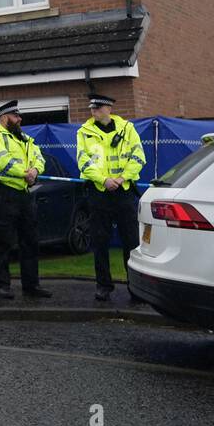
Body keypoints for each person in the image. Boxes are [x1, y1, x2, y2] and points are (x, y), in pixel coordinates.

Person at [76, 93, 146, 303]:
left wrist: (123, 177)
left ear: (108, 108)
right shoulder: (84, 132)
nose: (93, 111)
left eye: (97, 108)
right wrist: (104, 180)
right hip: (100, 192)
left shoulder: (128, 129)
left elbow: (138, 157)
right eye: (91, 108)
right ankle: (103, 286)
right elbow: (84, 162)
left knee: (131, 242)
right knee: (99, 241)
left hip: (124, 191)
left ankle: (135, 288)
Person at [0, 100, 52, 301]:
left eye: (19, 115)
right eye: (15, 116)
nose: (19, 119)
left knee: (30, 241)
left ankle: (31, 285)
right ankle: (2, 286)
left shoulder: (26, 139)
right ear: (4, 118)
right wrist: (25, 173)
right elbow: (2, 161)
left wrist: (36, 170)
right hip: (5, 194)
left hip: (24, 194)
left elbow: (39, 157)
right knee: (3, 242)